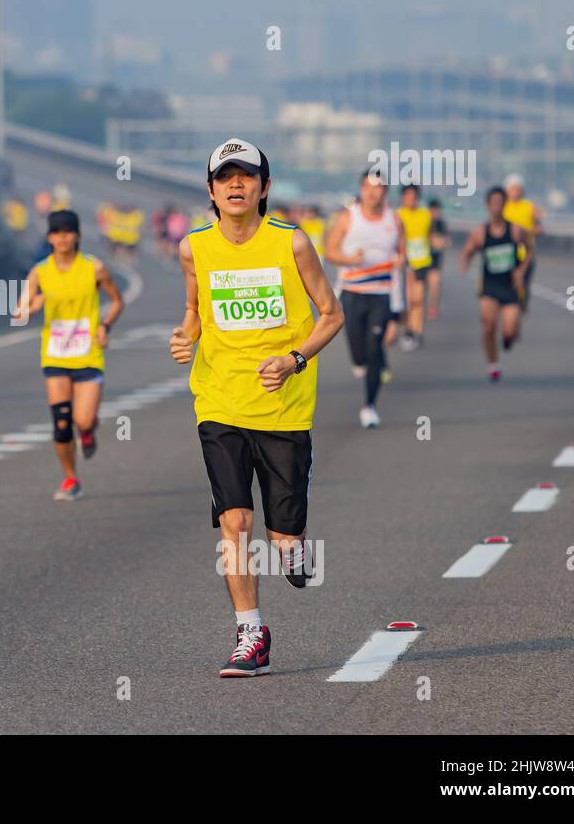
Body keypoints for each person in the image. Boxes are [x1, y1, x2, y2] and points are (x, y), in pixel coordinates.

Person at [169, 139, 344, 678]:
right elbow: (196, 308)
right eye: (226, 178)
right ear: (212, 192)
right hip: (219, 399)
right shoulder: (193, 248)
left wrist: (295, 359)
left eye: (247, 176)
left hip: (282, 407)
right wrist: (186, 335)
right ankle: (250, 633)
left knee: (284, 540)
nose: (236, 185)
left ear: (265, 188)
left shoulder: (292, 245)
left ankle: (294, 548)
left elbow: (331, 315)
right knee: (236, 519)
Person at [14, 209, 124, 500]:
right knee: (61, 421)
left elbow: (116, 301)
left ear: (77, 235)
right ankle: (70, 478)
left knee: (83, 421)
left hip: (88, 354)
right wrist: (29, 307)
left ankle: (87, 433)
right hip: (55, 355)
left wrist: (104, 325)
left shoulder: (93, 268)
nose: (62, 238)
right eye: (56, 232)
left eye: (68, 232)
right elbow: (22, 307)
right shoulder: (40, 272)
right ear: (49, 237)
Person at [324, 167, 405, 428]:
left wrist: (402, 260)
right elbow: (330, 252)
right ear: (361, 189)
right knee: (359, 353)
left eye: (378, 187)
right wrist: (350, 259)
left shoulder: (394, 220)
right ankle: (369, 362)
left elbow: (401, 254)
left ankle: (369, 406)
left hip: (381, 294)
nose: (372, 193)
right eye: (368, 187)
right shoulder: (348, 218)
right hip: (351, 292)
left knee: (373, 347)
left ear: (385, 191)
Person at [461, 186, 534, 381]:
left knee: (509, 330)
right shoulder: (480, 232)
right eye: (493, 204)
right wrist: (465, 265)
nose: (496, 208)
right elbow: (468, 249)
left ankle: (508, 339)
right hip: (489, 286)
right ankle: (493, 363)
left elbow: (529, 249)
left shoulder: (516, 230)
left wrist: (521, 270)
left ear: (505, 206)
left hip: (510, 286)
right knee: (488, 325)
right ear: (487, 206)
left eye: (500, 204)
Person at [396, 183, 433, 350]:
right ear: (403, 198)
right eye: (408, 196)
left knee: (417, 299)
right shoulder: (397, 215)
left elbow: (430, 236)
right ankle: (408, 329)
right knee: (408, 300)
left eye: (414, 196)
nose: (411, 199)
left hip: (422, 261)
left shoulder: (426, 215)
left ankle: (416, 332)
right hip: (404, 263)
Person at [502, 174, 542, 313]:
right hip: (506, 252)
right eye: (512, 189)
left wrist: (528, 232)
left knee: (522, 284)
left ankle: (520, 304)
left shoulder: (530, 207)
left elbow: (539, 228)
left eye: (517, 189)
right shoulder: (502, 207)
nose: (515, 192)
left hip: (526, 252)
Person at [426, 197, 450, 320]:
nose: (434, 213)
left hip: (435, 260)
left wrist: (440, 243)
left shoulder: (441, 224)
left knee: (435, 285)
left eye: (437, 210)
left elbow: (447, 241)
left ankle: (433, 307)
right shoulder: (424, 222)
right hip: (421, 260)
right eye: (432, 210)